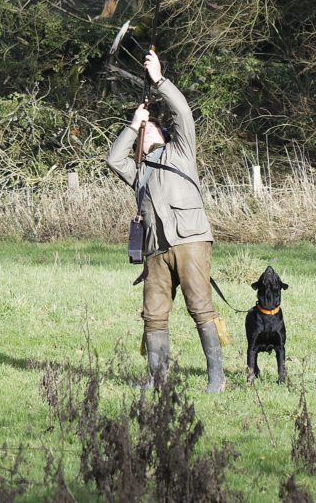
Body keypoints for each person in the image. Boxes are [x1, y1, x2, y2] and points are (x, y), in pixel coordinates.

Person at [106, 48, 227, 393]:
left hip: (190, 241)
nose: (147, 134)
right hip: (155, 251)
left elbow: (183, 112)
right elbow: (114, 159)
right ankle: (157, 379)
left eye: (150, 129)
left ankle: (216, 378)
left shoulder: (181, 151)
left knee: (200, 306)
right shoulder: (138, 171)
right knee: (153, 315)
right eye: (143, 135)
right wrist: (132, 126)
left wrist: (158, 80)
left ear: (161, 133)